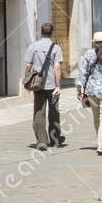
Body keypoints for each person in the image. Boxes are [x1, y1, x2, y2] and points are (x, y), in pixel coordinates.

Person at [23, 23, 64, 151]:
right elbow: (57, 67)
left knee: (39, 112)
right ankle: (55, 139)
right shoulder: (56, 48)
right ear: (52, 33)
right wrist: (58, 86)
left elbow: (28, 66)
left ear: (41, 32)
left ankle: (41, 141)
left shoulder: (33, 46)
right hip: (52, 85)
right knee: (54, 113)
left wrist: (28, 81)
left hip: (38, 85)